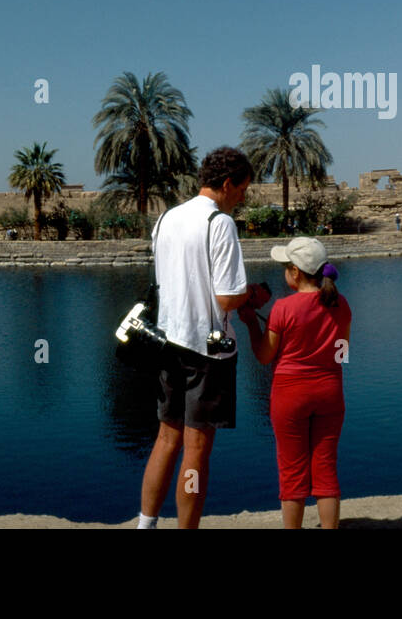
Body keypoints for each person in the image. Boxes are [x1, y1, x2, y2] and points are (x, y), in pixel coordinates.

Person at [137, 147, 270, 530]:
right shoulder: (219, 222)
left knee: (165, 439)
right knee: (196, 450)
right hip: (206, 350)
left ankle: (146, 524)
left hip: (167, 341)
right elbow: (227, 297)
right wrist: (254, 295)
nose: (244, 197)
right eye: (242, 189)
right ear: (227, 184)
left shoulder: (165, 219)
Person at [240, 239, 351, 529]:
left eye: (284, 268)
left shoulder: (282, 308)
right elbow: (342, 352)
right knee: (325, 469)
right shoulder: (342, 304)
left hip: (290, 395)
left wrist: (253, 324)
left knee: (292, 472)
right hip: (330, 391)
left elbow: (265, 356)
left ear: (295, 272)